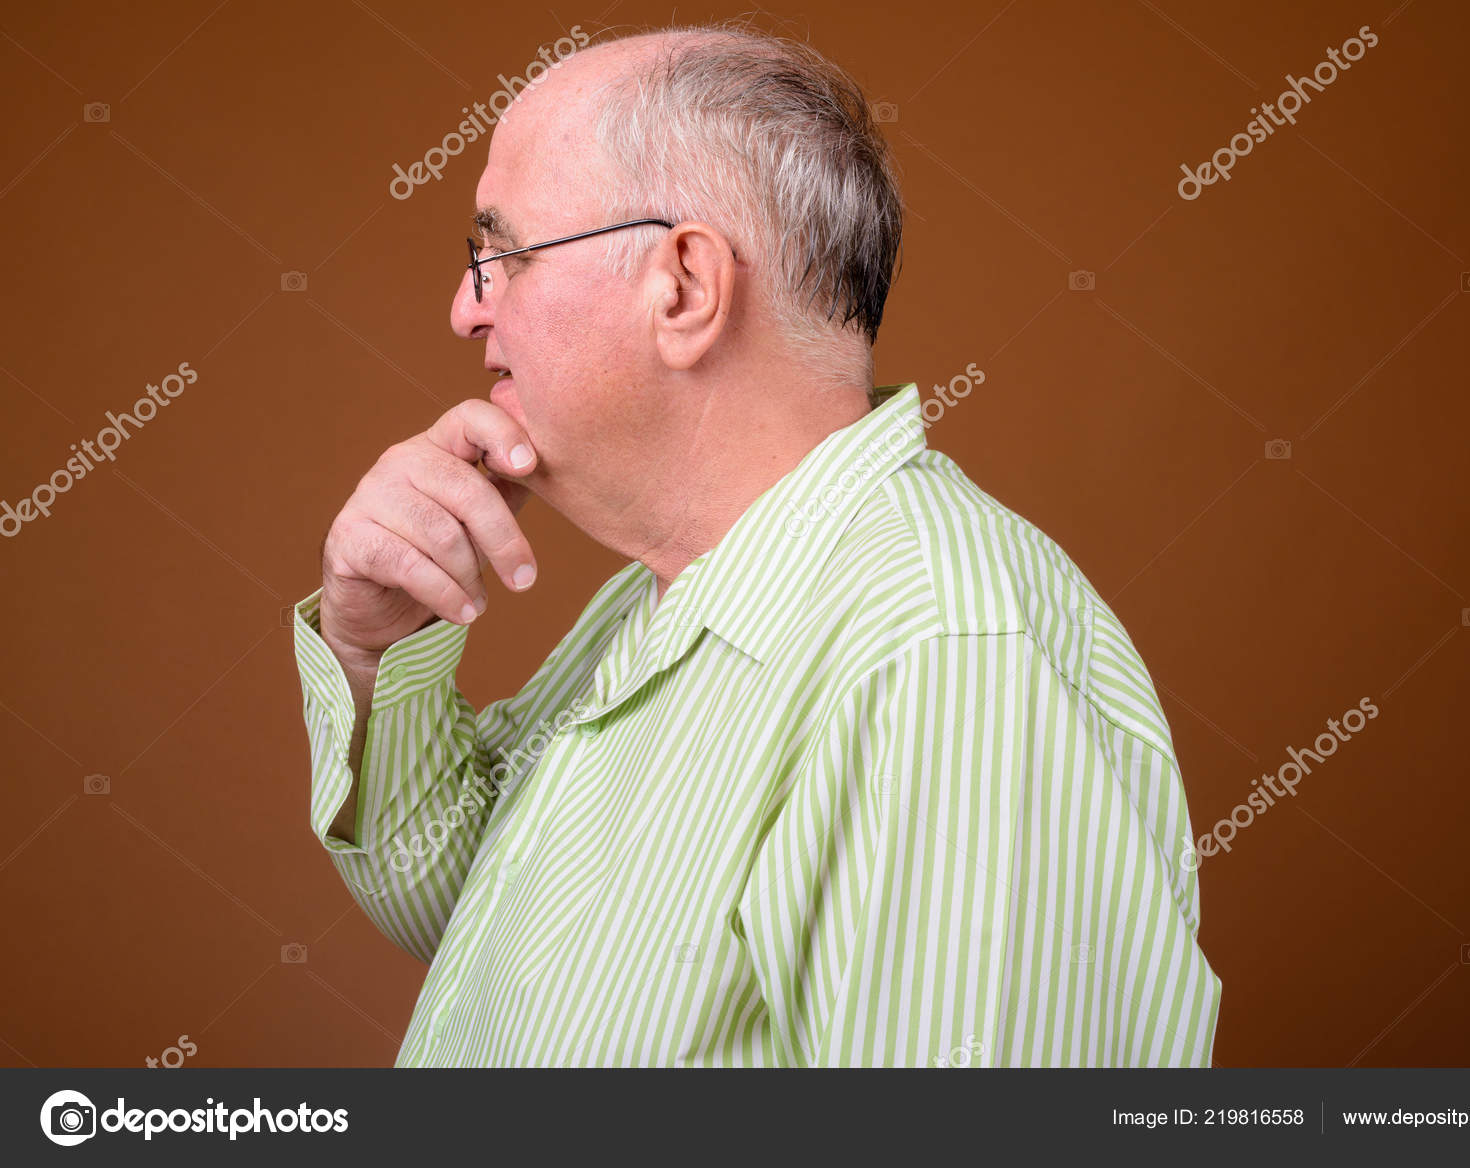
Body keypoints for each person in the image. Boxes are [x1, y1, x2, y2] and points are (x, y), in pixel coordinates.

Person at [290, 23, 1221, 1066]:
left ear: (683, 286)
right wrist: (376, 655)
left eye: (502, 254)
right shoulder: (689, 583)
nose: (465, 307)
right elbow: (473, 920)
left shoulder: (941, 651)